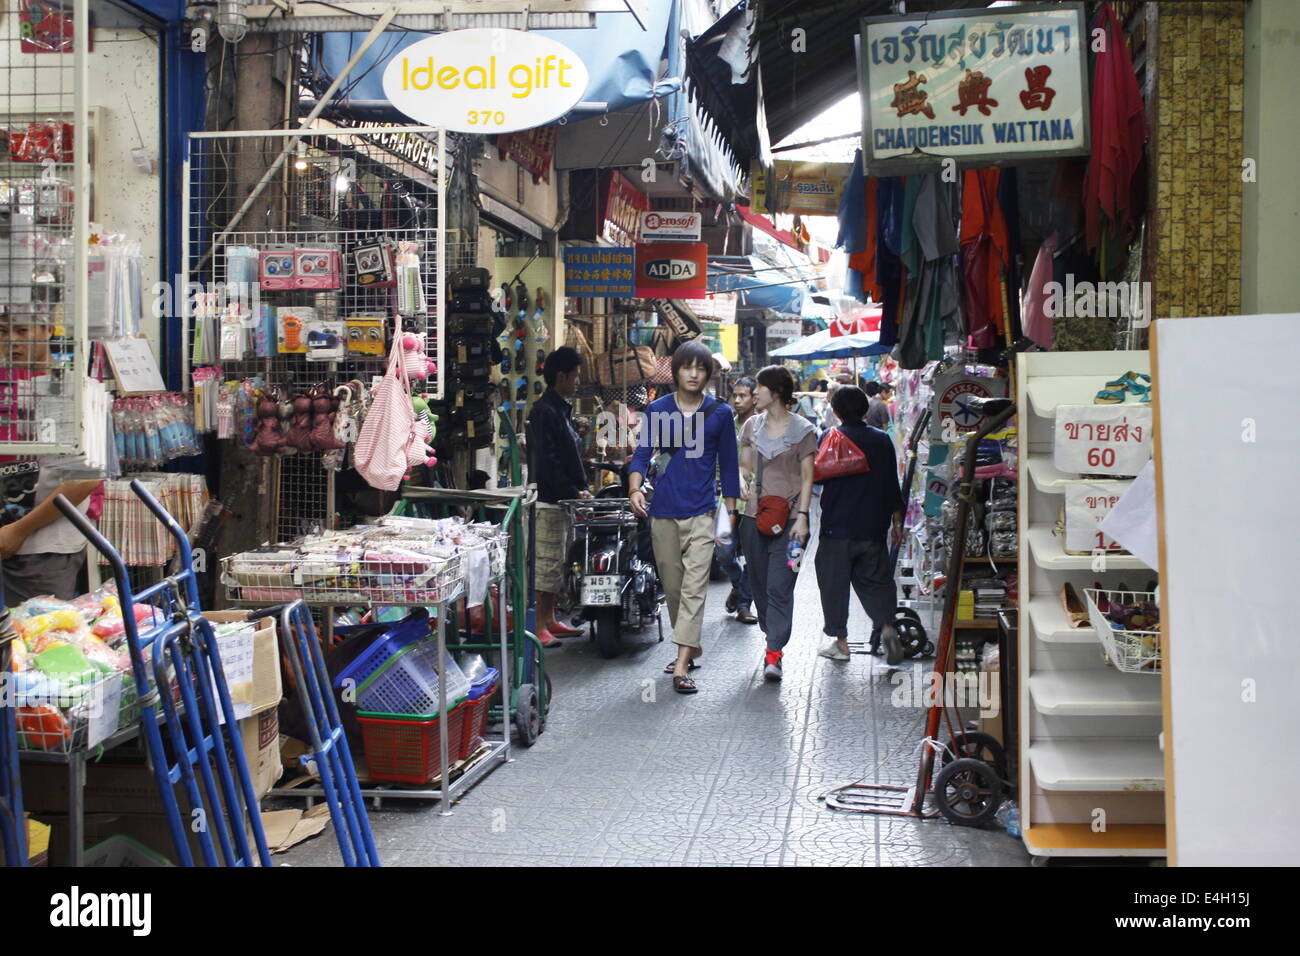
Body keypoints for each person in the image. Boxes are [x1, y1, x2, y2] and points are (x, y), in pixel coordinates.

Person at [628, 341, 739, 694]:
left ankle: (680, 664)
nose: (693, 374)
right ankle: (690, 645)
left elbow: (731, 466)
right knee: (674, 589)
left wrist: (731, 512)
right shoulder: (658, 409)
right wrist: (633, 489)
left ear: (708, 374)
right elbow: (642, 454)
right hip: (662, 512)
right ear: (675, 371)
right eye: (687, 367)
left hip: (702, 513)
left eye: (700, 368)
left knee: (694, 590)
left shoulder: (720, 413)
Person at [0, 311, 109, 604]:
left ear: (48, 329)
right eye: (3, 332)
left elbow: (84, 479)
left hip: (42, 549)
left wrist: (18, 530)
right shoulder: (6, 388)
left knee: (40, 641)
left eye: (22, 331)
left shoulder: (75, 391)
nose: (11, 341)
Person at [814, 386, 906, 665]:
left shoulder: (831, 437)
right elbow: (893, 483)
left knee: (834, 584)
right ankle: (887, 625)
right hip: (872, 527)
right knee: (876, 581)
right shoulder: (882, 440)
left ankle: (841, 643)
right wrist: (897, 522)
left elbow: (818, 476)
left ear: (837, 410)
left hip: (837, 527)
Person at [738, 365, 817, 681]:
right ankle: (773, 634)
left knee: (780, 586)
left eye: (759, 387)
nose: (755, 393)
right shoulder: (750, 427)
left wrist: (804, 517)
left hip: (792, 526)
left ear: (777, 392)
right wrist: (742, 480)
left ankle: (774, 654)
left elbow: (809, 475)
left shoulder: (804, 430)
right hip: (752, 518)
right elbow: (744, 466)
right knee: (759, 586)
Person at [525, 346, 589, 647]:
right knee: (544, 564)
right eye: (575, 376)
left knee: (555, 564)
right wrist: (572, 490)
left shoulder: (560, 409)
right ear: (561, 376)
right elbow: (548, 462)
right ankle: (538, 625)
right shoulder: (544, 411)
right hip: (548, 500)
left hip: (561, 500)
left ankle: (549, 619)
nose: (578, 382)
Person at [719, 377, 757, 625]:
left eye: (743, 395)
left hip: (756, 502)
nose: (737, 400)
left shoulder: (764, 427)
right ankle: (738, 582)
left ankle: (744, 604)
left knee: (754, 557)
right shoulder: (726, 427)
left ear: (755, 398)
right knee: (722, 552)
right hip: (726, 500)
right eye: (735, 395)